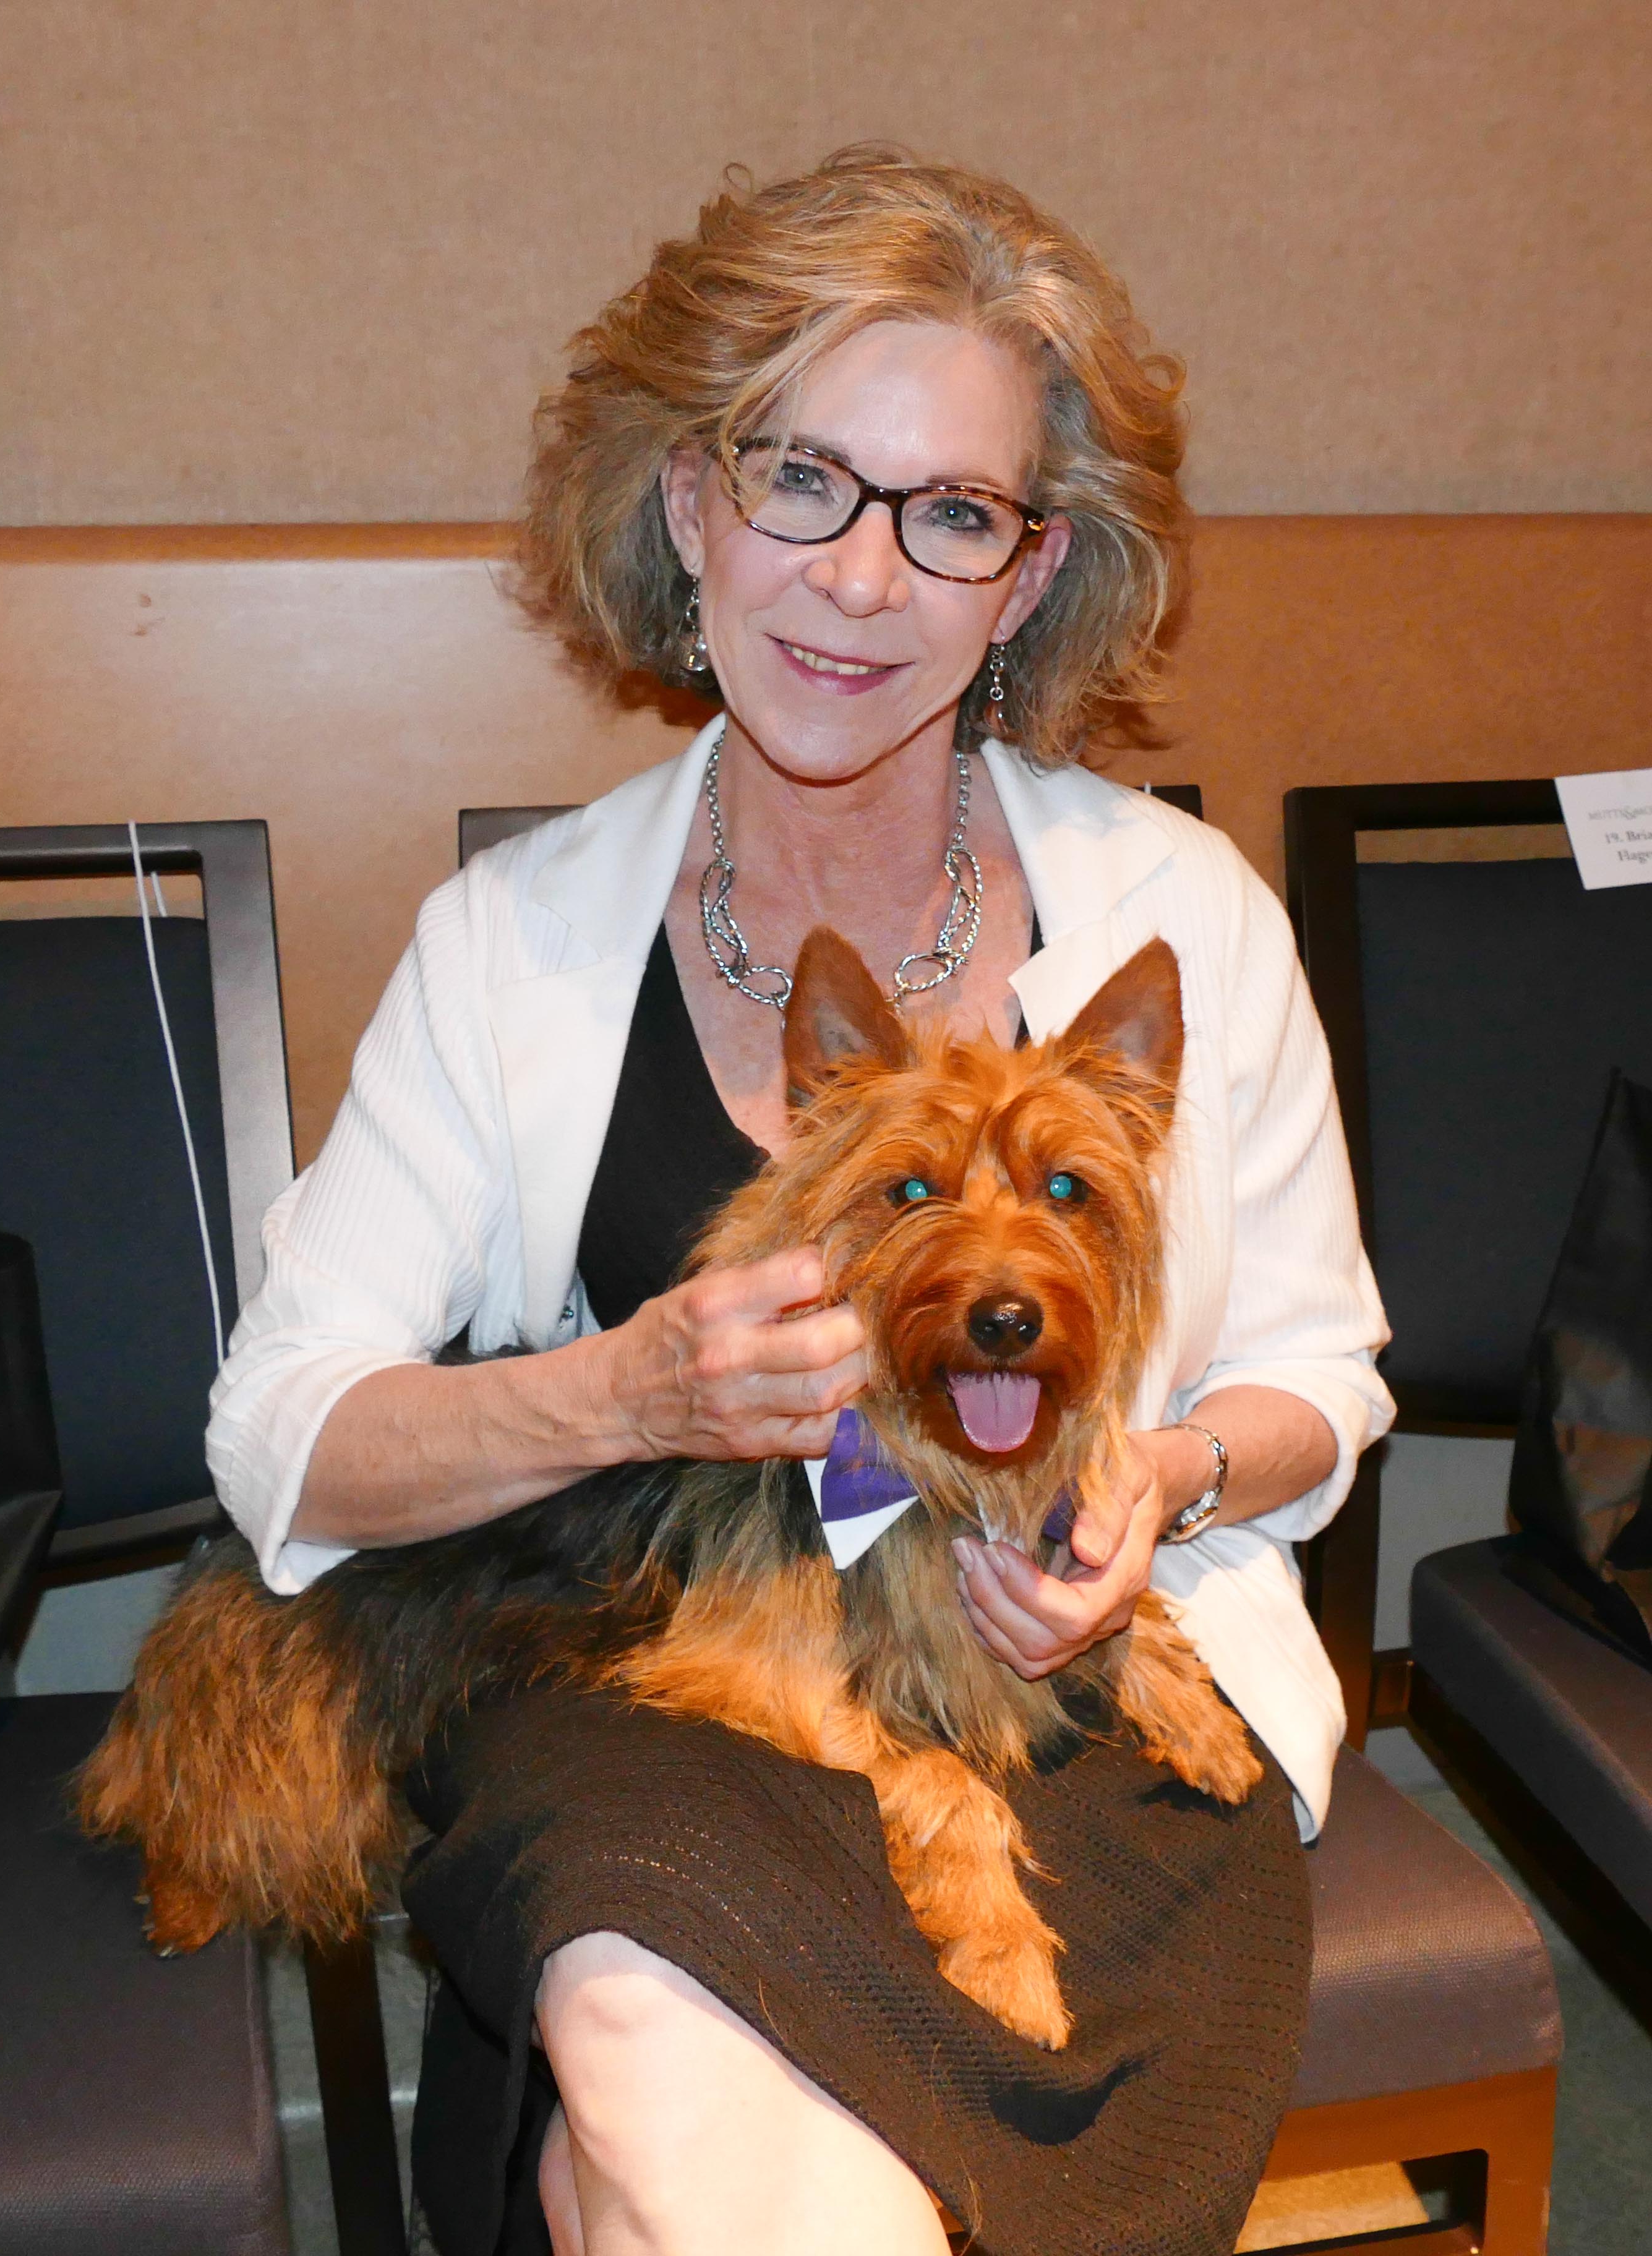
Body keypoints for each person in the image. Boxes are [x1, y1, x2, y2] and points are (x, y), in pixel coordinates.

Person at [208, 148, 1392, 2256]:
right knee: (670, 2045)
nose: (860, 579)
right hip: (667, 1678)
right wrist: (626, 1392)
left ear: (1024, 579)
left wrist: (1165, 1476)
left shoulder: (1183, 923)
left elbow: (1321, 1373)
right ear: (686, 509)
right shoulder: (512, 946)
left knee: (636, 2172)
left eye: (950, 513)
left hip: (1075, 1688)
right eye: (801, 482)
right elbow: (284, 1432)